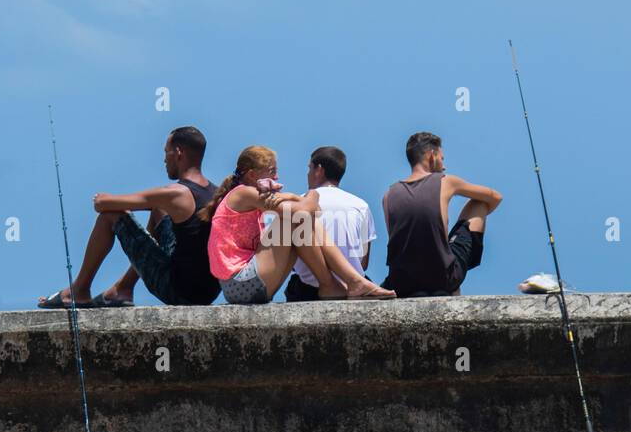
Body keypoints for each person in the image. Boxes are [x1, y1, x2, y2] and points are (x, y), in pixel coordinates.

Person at [37, 126, 220, 308]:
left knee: (111, 215)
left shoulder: (177, 193)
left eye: (166, 152)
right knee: (159, 209)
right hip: (208, 291)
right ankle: (123, 288)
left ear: (178, 152)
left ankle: (79, 290)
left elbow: (103, 204)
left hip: (180, 291)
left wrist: (102, 198)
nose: (165, 159)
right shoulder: (216, 192)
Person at [203, 145, 395, 305]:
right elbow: (304, 212)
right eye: (272, 171)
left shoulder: (253, 197)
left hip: (247, 285)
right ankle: (340, 283)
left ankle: (342, 283)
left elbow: (310, 211)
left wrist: (297, 197)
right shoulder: (244, 193)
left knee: (301, 221)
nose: (277, 177)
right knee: (295, 220)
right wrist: (313, 194)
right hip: (242, 283)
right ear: (253, 175)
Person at [381, 131, 501, 297]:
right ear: (432, 155)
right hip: (442, 279)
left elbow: (398, 242)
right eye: (442, 158)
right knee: (479, 203)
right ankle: (454, 282)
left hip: (401, 283)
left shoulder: (388, 195)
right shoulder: (446, 181)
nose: (443, 166)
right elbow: (495, 197)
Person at [283, 146, 377, 302]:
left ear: (319, 170)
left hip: (309, 290)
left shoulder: (297, 204)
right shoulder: (361, 206)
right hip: (351, 289)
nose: (307, 174)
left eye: (309, 168)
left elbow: (290, 260)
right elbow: (363, 263)